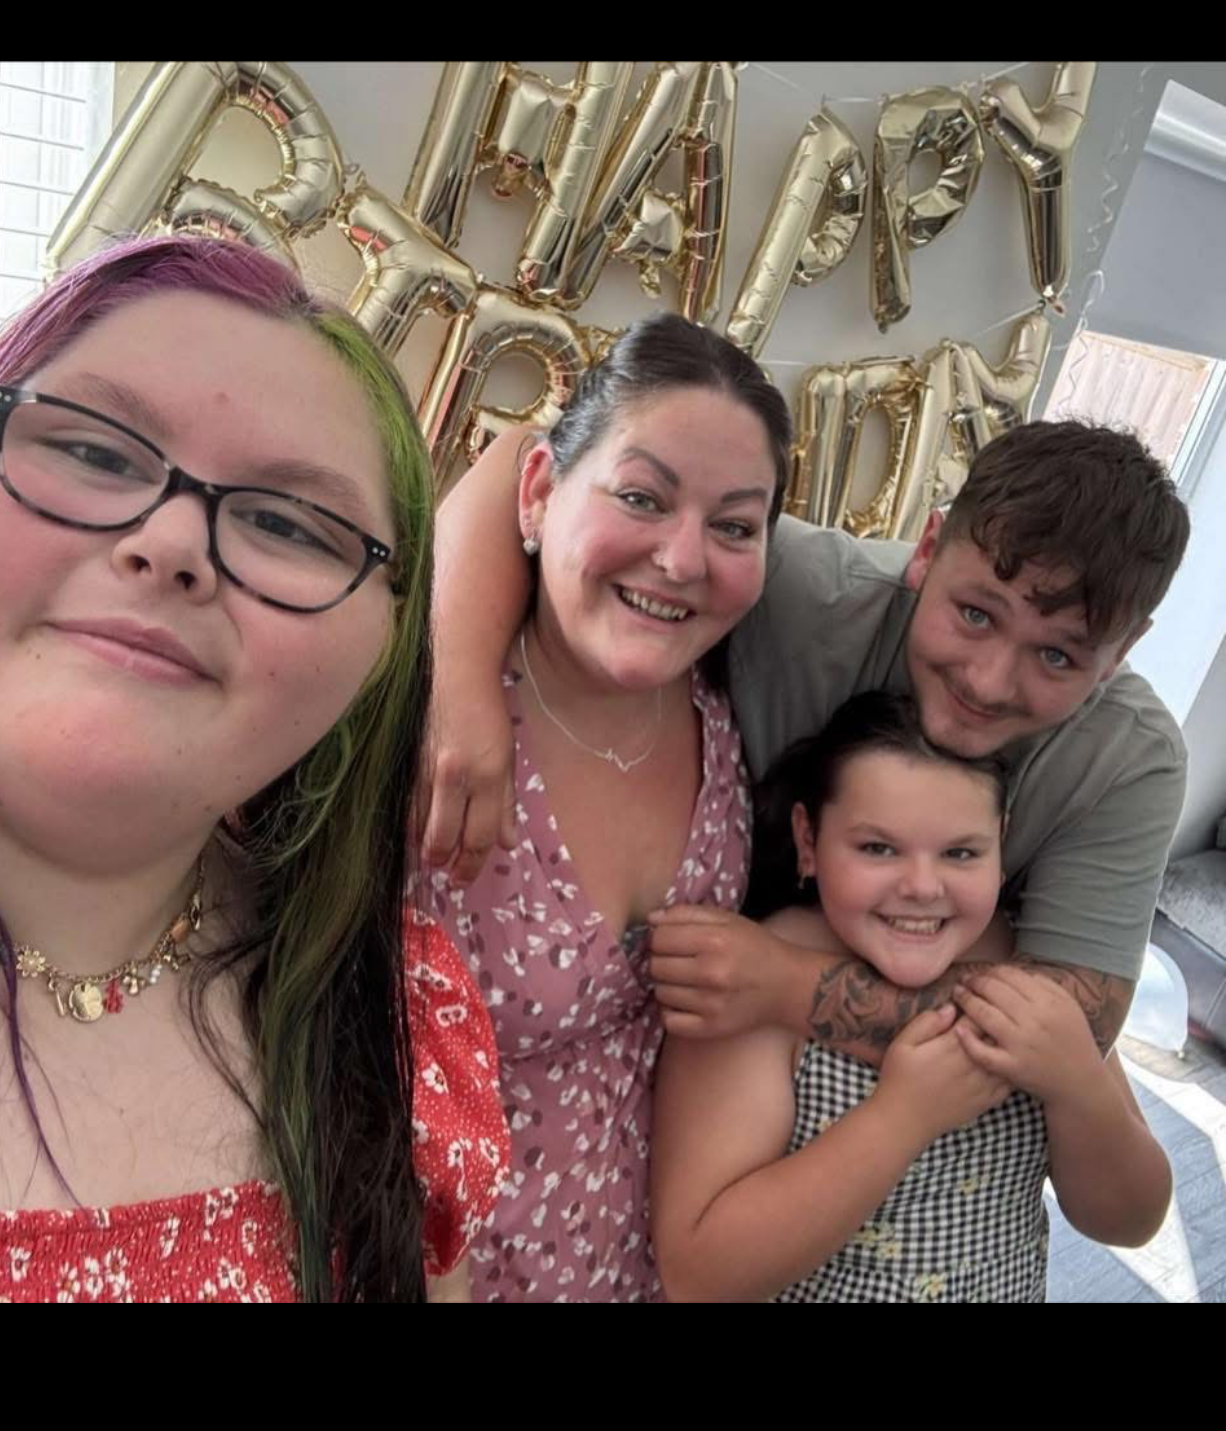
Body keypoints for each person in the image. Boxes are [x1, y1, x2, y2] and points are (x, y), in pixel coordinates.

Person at [0, 233, 508, 1303]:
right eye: (93, 452)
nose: (172, 542)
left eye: (285, 523)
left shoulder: (400, 1021)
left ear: (382, 651)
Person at [426, 410, 1191, 1071]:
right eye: (975, 614)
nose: (990, 682)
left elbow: (1079, 1019)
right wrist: (456, 687)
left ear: (1122, 652)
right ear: (927, 548)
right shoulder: (805, 587)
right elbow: (533, 453)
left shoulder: (1131, 760)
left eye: (1057, 656)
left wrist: (785, 986)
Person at [420, 313, 792, 1300]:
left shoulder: (737, 710)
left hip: (645, 1267)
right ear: (541, 495)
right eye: (641, 497)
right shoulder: (427, 732)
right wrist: (452, 679)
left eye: (734, 526)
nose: (682, 559)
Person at [648, 693, 1172, 1301]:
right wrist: (901, 1119)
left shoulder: (1032, 967)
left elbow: (1130, 1221)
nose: (922, 887)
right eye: (878, 848)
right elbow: (700, 1275)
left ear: (1002, 843)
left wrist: (1079, 1085)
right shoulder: (750, 981)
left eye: (960, 852)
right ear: (808, 839)